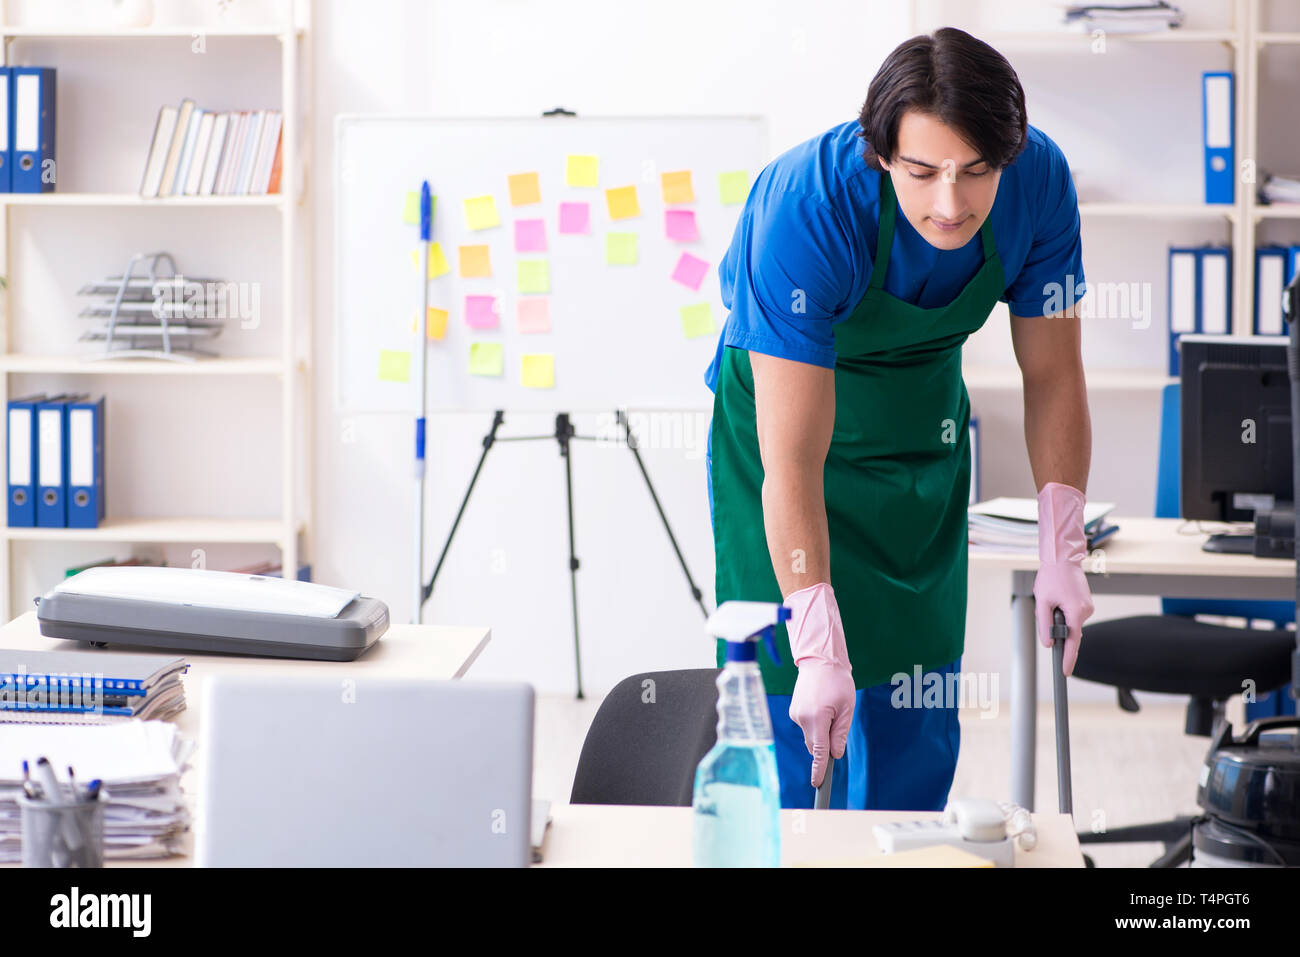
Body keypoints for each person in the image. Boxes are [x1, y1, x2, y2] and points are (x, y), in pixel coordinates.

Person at [704, 27, 1096, 811]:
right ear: (880, 152)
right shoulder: (806, 207)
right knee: (797, 694)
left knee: (915, 695)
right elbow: (794, 462)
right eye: (922, 171)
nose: (950, 204)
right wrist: (814, 631)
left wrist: (1063, 542)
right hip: (782, 441)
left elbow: (1052, 375)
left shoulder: (1041, 183)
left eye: (976, 172)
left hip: (922, 435)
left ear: (1008, 156)